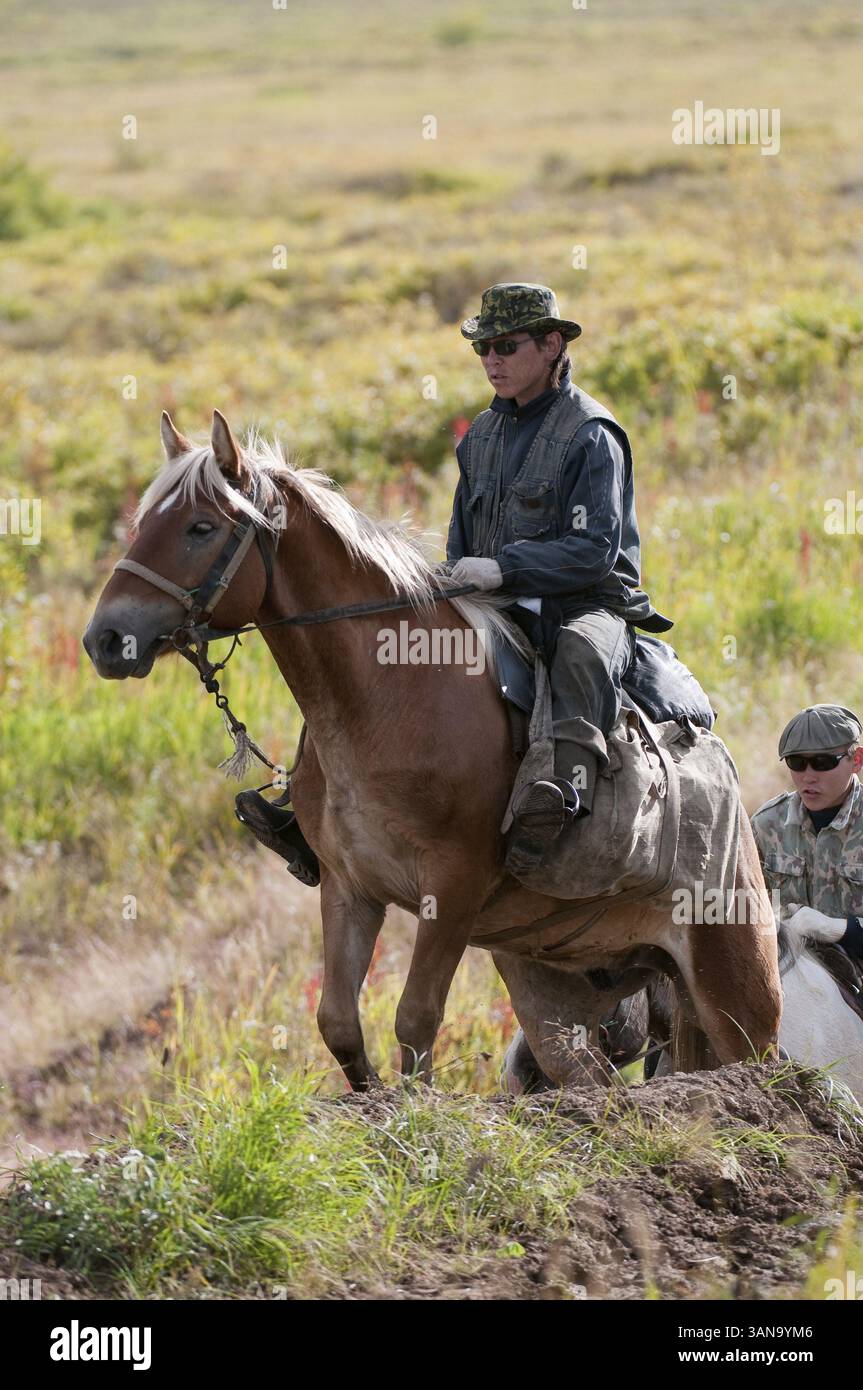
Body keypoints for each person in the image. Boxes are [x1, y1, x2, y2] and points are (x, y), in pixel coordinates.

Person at [444, 281, 671, 855]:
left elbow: (593, 550)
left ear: (551, 345)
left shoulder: (591, 434)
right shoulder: (481, 438)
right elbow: (461, 538)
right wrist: (455, 578)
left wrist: (501, 568)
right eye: (482, 349)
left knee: (579, 650)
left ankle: (568, 804)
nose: (491, 360)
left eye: (506, 346)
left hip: (588, 603)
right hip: (498, 601)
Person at [751, 703, 863, 961]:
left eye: (822, 763)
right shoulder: (766, 826)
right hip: (789, 975)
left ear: (856, 760)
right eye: (797, 762)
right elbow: (737, 911)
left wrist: (840, 929)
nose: (808, 776)